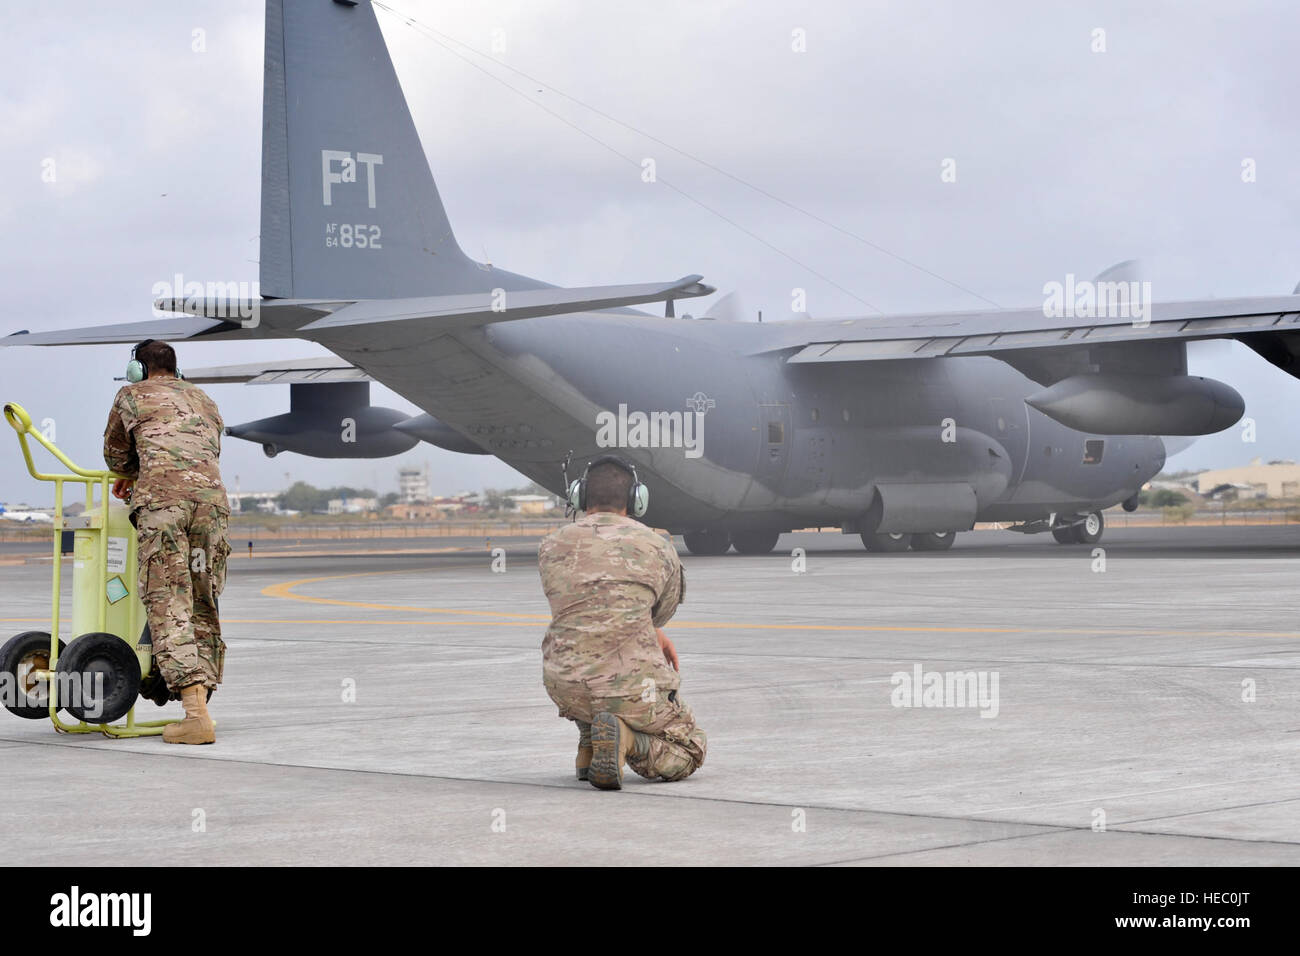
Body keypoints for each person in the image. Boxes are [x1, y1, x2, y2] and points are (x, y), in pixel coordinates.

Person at [537, 455, 706, 790]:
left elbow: (580, 609)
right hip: (629, 689)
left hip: (563, 685)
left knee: (586, 652)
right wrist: (654, 630)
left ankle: (589, 742)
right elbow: (661, 613)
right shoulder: (658, 546)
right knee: (691, 749)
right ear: (636, 500)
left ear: (580, 496)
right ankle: (627, 740)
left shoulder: (551, 546)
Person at [103, 339, 230, 744]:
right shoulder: (204, 399)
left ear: (137, 369)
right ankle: (202, 699)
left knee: (168, 599)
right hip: (211, 506)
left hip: (164, 505)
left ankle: (195, 717)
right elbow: (207, 449)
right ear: (177, 369)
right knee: (201, 598)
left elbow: (115, 456)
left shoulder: (131, 394)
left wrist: (133, 472)